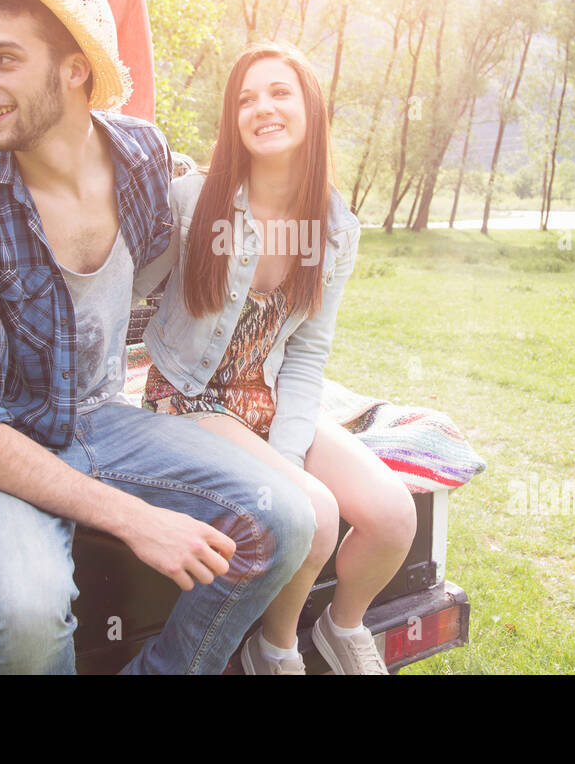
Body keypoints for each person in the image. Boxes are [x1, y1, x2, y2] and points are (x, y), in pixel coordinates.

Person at [0, 0, 315, 674]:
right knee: (28, 616)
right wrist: (137, 521)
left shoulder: (141, 156)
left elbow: (189, 257)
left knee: (284, 517)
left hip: (104, 416)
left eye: (3, 60)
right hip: (2, 444)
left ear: (74, 71)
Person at [143, 42, 418, 674]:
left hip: (265, 396)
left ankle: (341, 628)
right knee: (316, 514)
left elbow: (306, 354)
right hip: (189, 399)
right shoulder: (192, 200)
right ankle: (276, 649)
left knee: (392, 514)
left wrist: (288, 458)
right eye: (246, 98)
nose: (262, 107)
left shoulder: (335, 225)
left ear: (310, 107)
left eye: (279, 92)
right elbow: (125, 285)